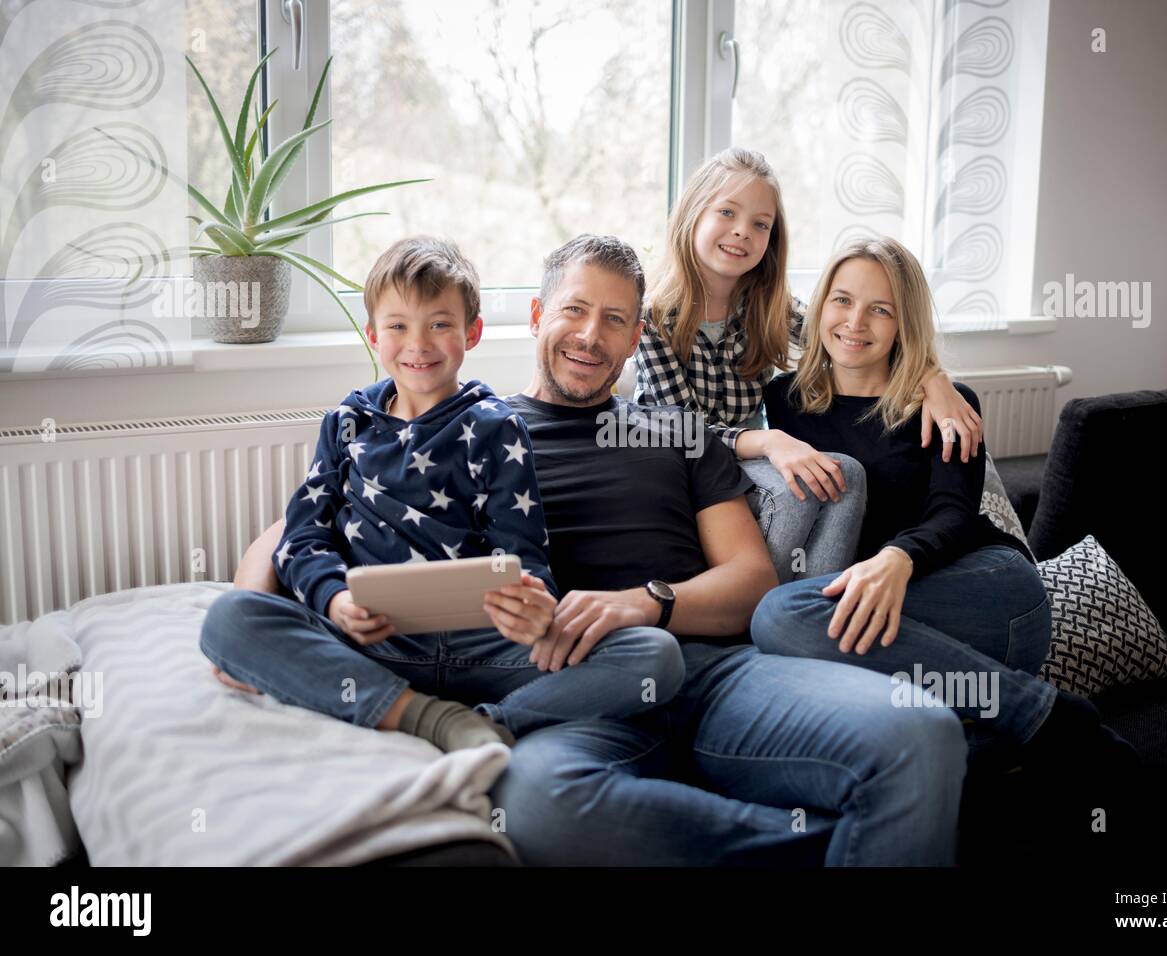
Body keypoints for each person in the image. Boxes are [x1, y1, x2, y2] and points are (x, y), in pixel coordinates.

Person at [219, 234, 969, 866]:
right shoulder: (469, 428)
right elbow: (297, 527)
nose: (590, 335)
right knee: (545, 809)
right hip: (563, 694)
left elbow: (751, 581)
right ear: (539, 315)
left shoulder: (676, 431)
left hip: (709, 672)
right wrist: (250, 615)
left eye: (615, 319)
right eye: (574, 310)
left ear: (637, 333)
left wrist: (646, 603)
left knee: (920, 734)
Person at [199, 236, 684, 754]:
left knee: (654, 656)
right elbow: (301, 538)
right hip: (371, 642)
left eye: (439, 324)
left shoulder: (497, 427)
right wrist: (336, 600)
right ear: (373, 335)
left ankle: (488, 721)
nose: (419, 345)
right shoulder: (346, 425)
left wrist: (531, 605)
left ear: (471, 332)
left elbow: (523, 555)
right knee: (232, 621)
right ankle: (424, 717)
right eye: (398, 326)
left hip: (486, 646)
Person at [749, 237, 1137, 770]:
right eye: (842, 300)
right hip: (888, 616)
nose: (855, 322)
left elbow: (953, 514)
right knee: (805, 633)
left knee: (781, 616)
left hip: (987, 590)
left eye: (880, 309)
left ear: (903, 322)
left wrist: (897, 557)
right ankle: (1011, 729)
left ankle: (1039, 718)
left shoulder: (946, 405)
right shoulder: (783, 402)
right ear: (819, 307)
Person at [633, 146, 984, 581]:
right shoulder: (652, 318)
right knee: (824, 479)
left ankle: (808, 606)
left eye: (760, 224)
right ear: (692, 215)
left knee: (836, 477)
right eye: (726, 212)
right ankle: (764, 604)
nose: (742, 231)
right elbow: (681, 430)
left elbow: (847, 335)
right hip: (679, 469)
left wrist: (935, 379)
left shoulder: (767, 307)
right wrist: (768, 441)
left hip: (746, 473)